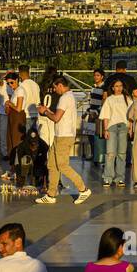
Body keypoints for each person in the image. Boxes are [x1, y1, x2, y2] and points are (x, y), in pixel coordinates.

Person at [34, 75, 91, 206]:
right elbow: (58, 116)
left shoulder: (65, 98)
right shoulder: (69, 97)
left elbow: (56, 118)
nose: (54, 90)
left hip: (64, 136)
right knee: (52, 164)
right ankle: (51, 194)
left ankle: (83, 189)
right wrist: (48, 110)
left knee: (62, 165)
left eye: (55, 87)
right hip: (60, 135)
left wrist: (44, 112)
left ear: (60, 85)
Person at [100, 78, 131, 187]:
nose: (119, 88)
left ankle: (120, 178)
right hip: (112, 127)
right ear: (112, 88)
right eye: (117, 86)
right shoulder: (109, 99)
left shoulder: (127, 99)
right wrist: (105, 129)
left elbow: (130, 115)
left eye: (121, 86)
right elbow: (106, 115)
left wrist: (130, 128)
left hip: (124, 127)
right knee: (110, 153)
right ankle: (108, 177)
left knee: (122, 154)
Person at [4, 74, 26, 167]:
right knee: (11, 142)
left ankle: (18, 169)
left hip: (18, 118)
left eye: (12, 82)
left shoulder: (20, 90)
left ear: (17, 80)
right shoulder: (15, 91)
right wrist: (7, 105)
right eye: (8, 83)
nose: (10, 85)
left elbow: (19, 108)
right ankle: (14, 169)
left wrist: (10, 103)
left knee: (17, 143)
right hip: (13, 118)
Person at [86, 69, 106, 169]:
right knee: (90, 135)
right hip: (91, 113)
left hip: (98, 115)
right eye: (95, 75)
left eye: (98, 75)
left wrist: (97, 112)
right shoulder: (93, 88)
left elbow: (103, 102)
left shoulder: (104, 88)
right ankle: (94, 155)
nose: (96, 77)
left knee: (98, 136)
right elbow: (92, 102)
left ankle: (98, 157)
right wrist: (87, 112)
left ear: (102, 77)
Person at [16, 67, 41, 132]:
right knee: (34, 139)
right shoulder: (36, 85)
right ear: (28, 73)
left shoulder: (22, 86)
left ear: (20, 74)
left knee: (27, 139)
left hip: (27, 115)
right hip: (36, 114)